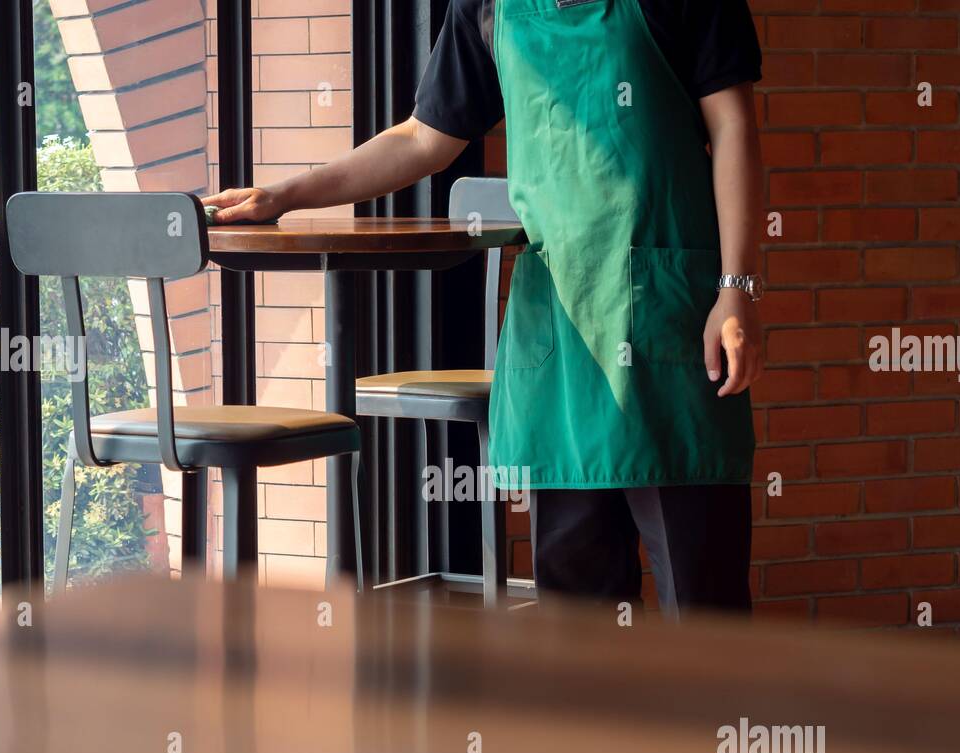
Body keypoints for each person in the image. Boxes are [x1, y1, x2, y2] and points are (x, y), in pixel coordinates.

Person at [205, 0, 765, 618]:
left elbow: (733, 125)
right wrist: (286, 194)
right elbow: (424, 138)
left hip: (672, 318)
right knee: (577, 620)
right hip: (559, 328)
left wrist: (736, 287)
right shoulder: (489, 6)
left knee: (706, 611)